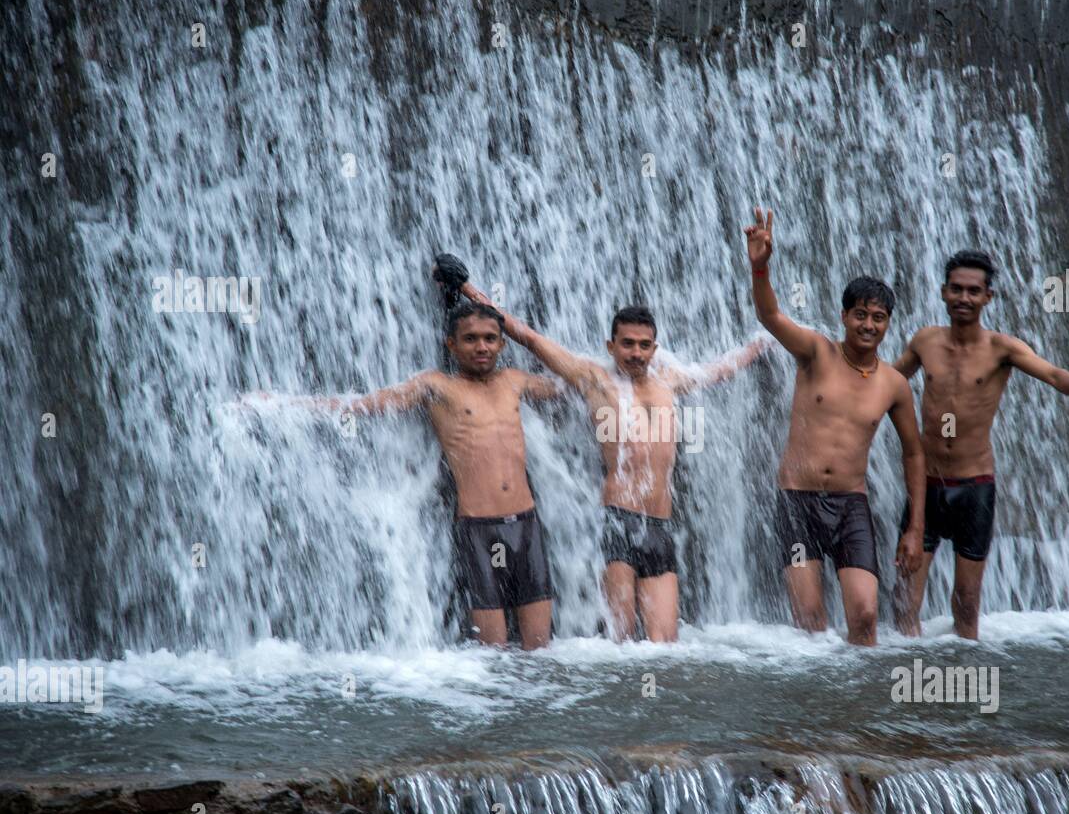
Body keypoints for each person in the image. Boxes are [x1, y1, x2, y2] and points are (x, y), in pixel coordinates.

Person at [435, 253, 770, 643]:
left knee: (666, 647)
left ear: (655, 347)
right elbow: (527, 337)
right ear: (611, 346)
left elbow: (720, 369)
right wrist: (466, 290)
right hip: (618, 524)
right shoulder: (594, 380)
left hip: (660, 525)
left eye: (644, 345)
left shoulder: (671, 381)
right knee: (622, 647)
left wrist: (764, 342)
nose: (636, 353)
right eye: (627, 344)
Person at [246, 296, 563, 650]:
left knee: (540, 651)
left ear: (503, 343)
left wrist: (478, 296)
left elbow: (573, 380)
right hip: (480, 530)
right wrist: (283, 406)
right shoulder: (436, 386)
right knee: (495, 652)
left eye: (490, 338)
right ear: (451, 344)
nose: (482, 347)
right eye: (470, 339)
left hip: (527, 525)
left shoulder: (515, 381)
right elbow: (366, 404)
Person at [892, 249, 1069, 639]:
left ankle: (963, 687)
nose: (964, 298)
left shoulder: (1001, 349)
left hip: (974, 486)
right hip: (926, 486)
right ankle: (912, 689)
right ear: (942, 292)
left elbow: (1053, 374)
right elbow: (888, 381)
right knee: (905, 601)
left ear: (988, 297)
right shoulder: (925, 342)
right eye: (956, 289)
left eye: (973, 291)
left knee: (968, 602)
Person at [743, 208, 926, 646]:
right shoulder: (816, 352)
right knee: (810, 621)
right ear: (844, 317)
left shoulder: (894, 384)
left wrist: (915, 529)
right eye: (860, 315)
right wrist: (760, 267)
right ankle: (819, 712)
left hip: (850, 507)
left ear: (887, 324)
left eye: (878, 318)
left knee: (864, 617)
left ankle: (859, 712)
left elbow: (914, 453)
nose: (869, 325)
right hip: (798, 504)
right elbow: (771, 317)